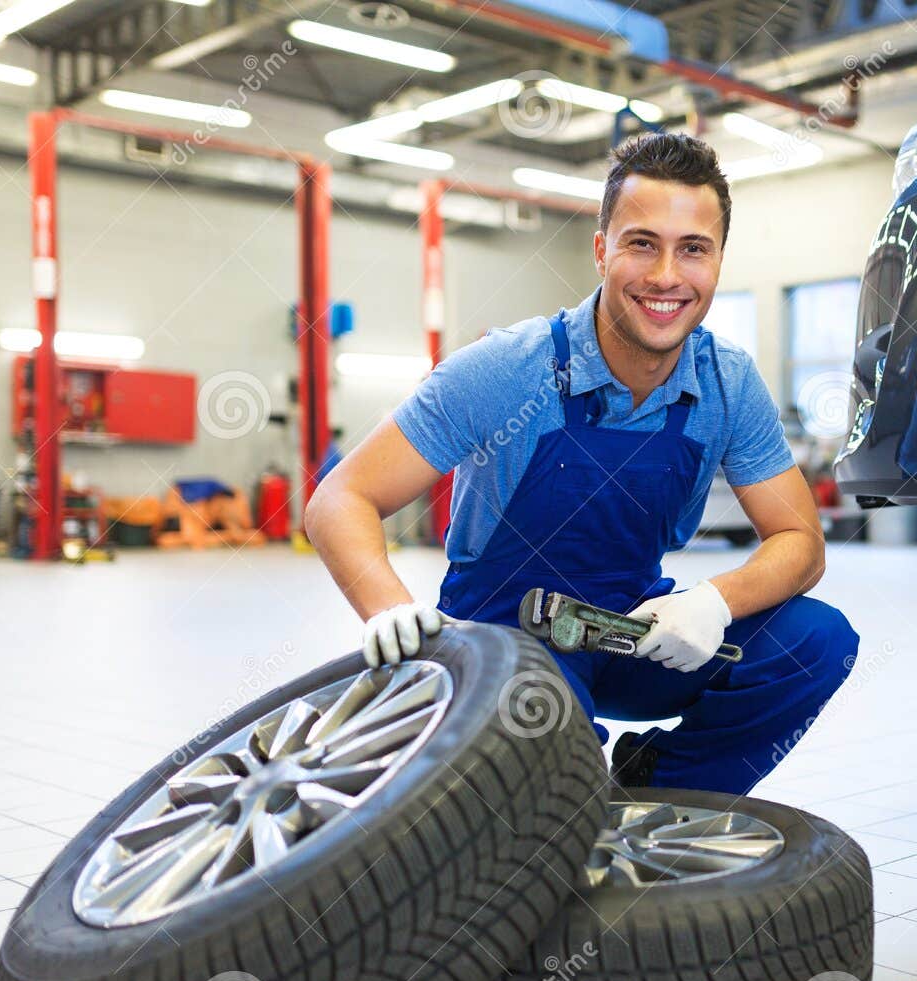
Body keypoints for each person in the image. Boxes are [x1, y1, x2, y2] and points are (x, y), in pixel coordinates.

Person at [305, 132, 858, 794]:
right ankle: (568, 795)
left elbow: (802, 541)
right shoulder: (509, 368)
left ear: (717, 262)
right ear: (601, 250)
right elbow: (339, 498)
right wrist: (388, 609)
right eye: (641, 243)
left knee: (817, 641)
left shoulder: (727, 383)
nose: (665, 277)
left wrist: (713, 600)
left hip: (626, 631)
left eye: (693, 250)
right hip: (505, 634)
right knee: (558, 783)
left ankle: (659, 788)